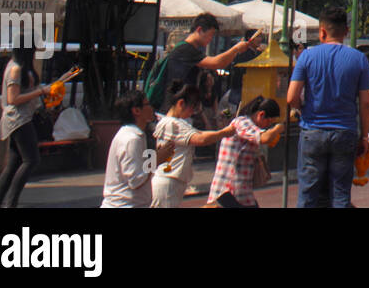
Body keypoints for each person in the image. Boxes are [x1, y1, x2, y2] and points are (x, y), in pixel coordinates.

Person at [287, 6, 369, 209]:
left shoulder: (307, 56)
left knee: (308, 194)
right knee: (340, 195)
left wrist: (301, 108)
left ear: (322, 32)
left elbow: (291, 97)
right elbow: (366, 104)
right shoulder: (359, 59)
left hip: (312, 130)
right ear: (346, 31)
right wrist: (364, 136)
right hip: (345, 133)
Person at [0, 47, 78, 208]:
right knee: (31, 160)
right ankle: (10, 202)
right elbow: (13, 98)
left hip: (21, 118)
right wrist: (40, 92)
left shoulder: (19, 66)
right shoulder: (15, 68)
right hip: (19, 119)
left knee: (14, 163)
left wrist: (55, 83)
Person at [151, 80, 235, 208]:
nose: (193, 112)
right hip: (168, 182)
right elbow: (200, 139)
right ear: (181, 103)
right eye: (193, 107)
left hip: (173, 182)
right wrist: (224, 132)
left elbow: (201, 133)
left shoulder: (177, 122)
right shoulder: (172, 124)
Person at [154, 14, 264, 110]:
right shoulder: (185, 49)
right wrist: (235, 49)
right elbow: (215, 63)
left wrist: (236, 51)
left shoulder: (190, 49)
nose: (211, 39)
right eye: (211, 34)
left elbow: (221, 64)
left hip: (184, 107)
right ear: (199, 30)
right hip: (174, 107)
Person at [206, 95, 284, 208]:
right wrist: (279, 127)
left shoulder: (247, 123)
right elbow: (265, 138)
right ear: (261, 115)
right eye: (269, 122)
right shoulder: (243, 123)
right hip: (228, 188)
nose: (269, 125)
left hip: (241, 190)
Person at [102, 90, 172, 208]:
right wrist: (156, 159)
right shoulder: (131, 139)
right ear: (137, 110)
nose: (151, 108)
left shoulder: (137, 135)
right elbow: (135, 180)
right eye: (147, 104)